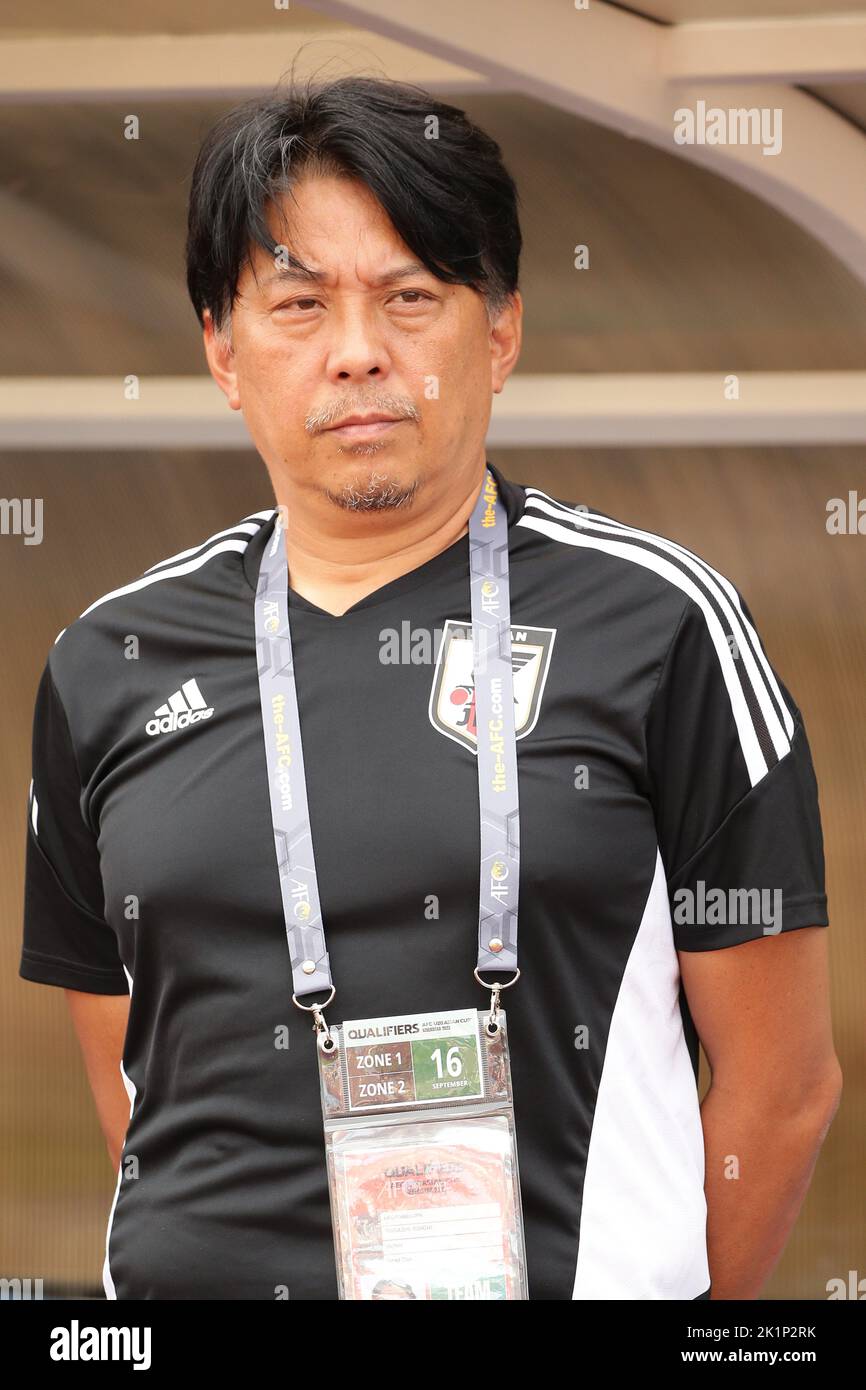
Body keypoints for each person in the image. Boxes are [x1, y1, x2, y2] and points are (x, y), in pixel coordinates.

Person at [19, 75, 841, 1301]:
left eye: (409, 296)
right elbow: (134, 1086)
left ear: (499, 328)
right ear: (219, 347)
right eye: (297, 304)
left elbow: (781, 1091)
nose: (358, 352)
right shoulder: (106, 664)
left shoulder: (658, 626)